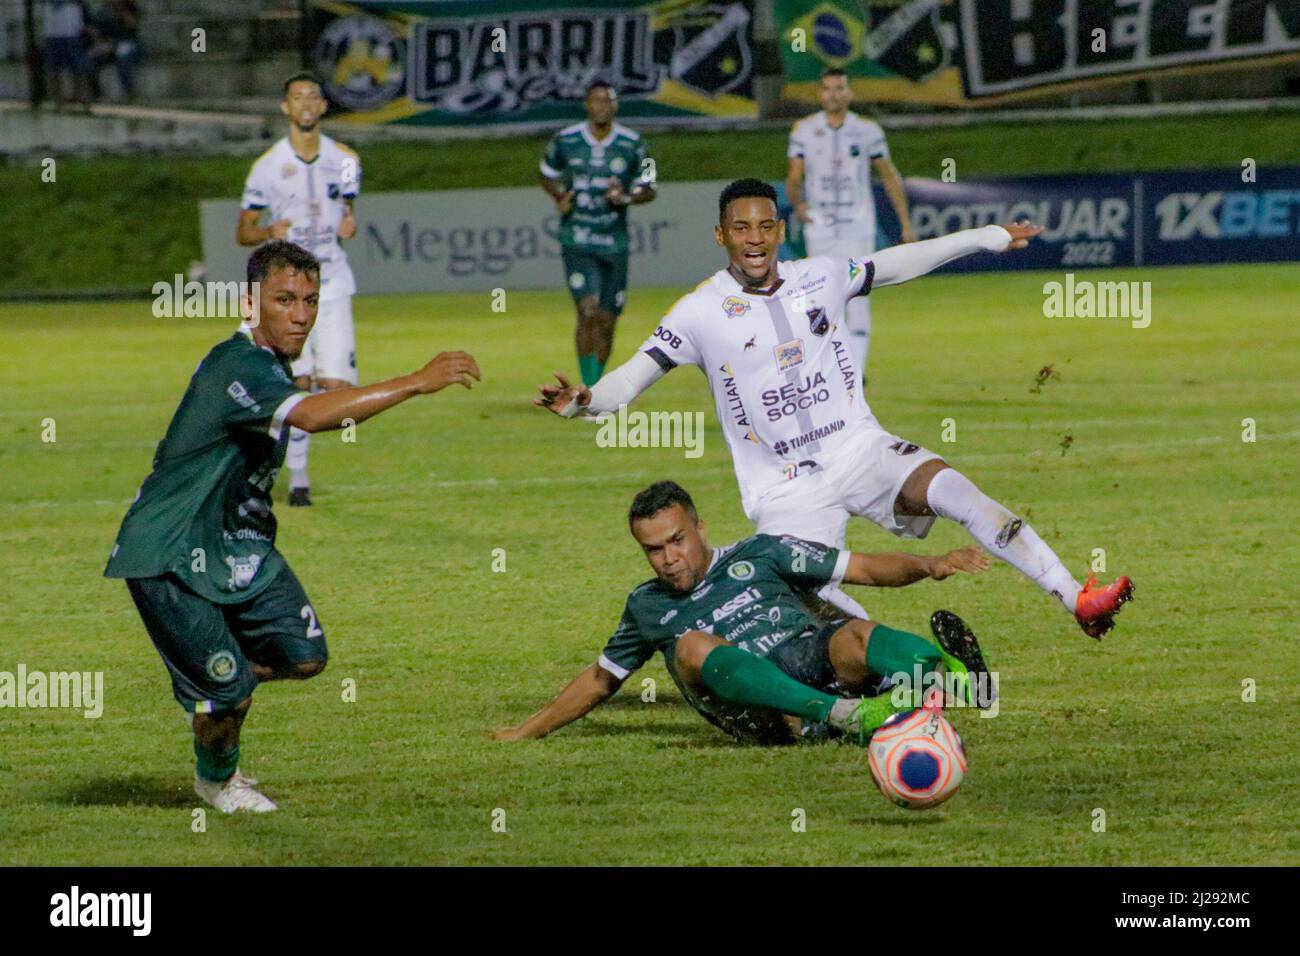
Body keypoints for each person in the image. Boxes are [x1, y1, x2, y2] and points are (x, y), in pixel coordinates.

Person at [535, 178, 1134, 639]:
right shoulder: (697, 312)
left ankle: (1075, 595)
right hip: (783, 489)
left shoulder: (819, 276)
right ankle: (902, 671)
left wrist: (987, 236)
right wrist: (584, 403)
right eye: (741, 228)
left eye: (766, 226)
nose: (754, 239)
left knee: (955, 490)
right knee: (809, 604)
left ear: (778, 229)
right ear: (721, 235)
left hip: (858, 449)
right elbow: (628, 383)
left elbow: (896, 263)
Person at [105, 241, 480, 813]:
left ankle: (212, 688)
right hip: (171, 549)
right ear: (251, 302)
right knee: (227, 692)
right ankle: (217, 777)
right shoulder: (239, 363)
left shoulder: (267, 367)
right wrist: (415, 381)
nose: (301, 314)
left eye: (310, 300)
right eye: (285, 300)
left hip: (234, 545)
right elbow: (307, 418)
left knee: (304, 655)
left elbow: (296, 402)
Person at [492, 481, 992, 744]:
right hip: (764, 713)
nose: (669, 559)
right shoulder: (646, 605)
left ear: (700, 528)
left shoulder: (760, 553)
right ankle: (848, 717)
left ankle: (957, 683)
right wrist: (525, 731)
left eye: (677, 541)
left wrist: (930, 563)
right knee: (691, 645)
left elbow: (860, 566)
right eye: (653, 549)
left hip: (808, 659)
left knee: (856, 632)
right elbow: (601, 680)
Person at [237, 72, 362, 506]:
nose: (306, 103)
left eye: (314, 96)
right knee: (297, 382)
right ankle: (298, 481)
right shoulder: (267, 166)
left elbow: (347, 207)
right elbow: (244, 231)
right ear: (285, 108)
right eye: (297, 97)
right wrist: (269, 230)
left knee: (337, 388)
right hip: (288, 291)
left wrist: (348, 220)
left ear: (324, 106)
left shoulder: (346, 159)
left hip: (333, 283)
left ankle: (297, 470)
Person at [786, 67, 914, 379]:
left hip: (858, 225)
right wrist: (799, 204)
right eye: (828, 88)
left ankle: (854, 373)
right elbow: (794, 175)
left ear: (850, 93)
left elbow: (888, 174)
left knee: (857, 295)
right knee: (821, 297)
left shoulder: (868, 130)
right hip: (820, 226)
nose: (833, 94)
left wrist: (905, 223)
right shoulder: (803, 129)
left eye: (840, 88)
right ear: (820, 94)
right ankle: (827, 368)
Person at [539, 80, 656, 388]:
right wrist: (559, 197)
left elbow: (650, 186)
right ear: (587, 105)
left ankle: (596, 384)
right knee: (587, 311)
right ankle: (587, 387)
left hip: (614, 244)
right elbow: (546, 172)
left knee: (607, 319)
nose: (601, 105)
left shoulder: (633, 143)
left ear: (615, 106)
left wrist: (625, 197)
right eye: (595, 100)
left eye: (607, 100)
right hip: (577, 239)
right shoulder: (566, 139)